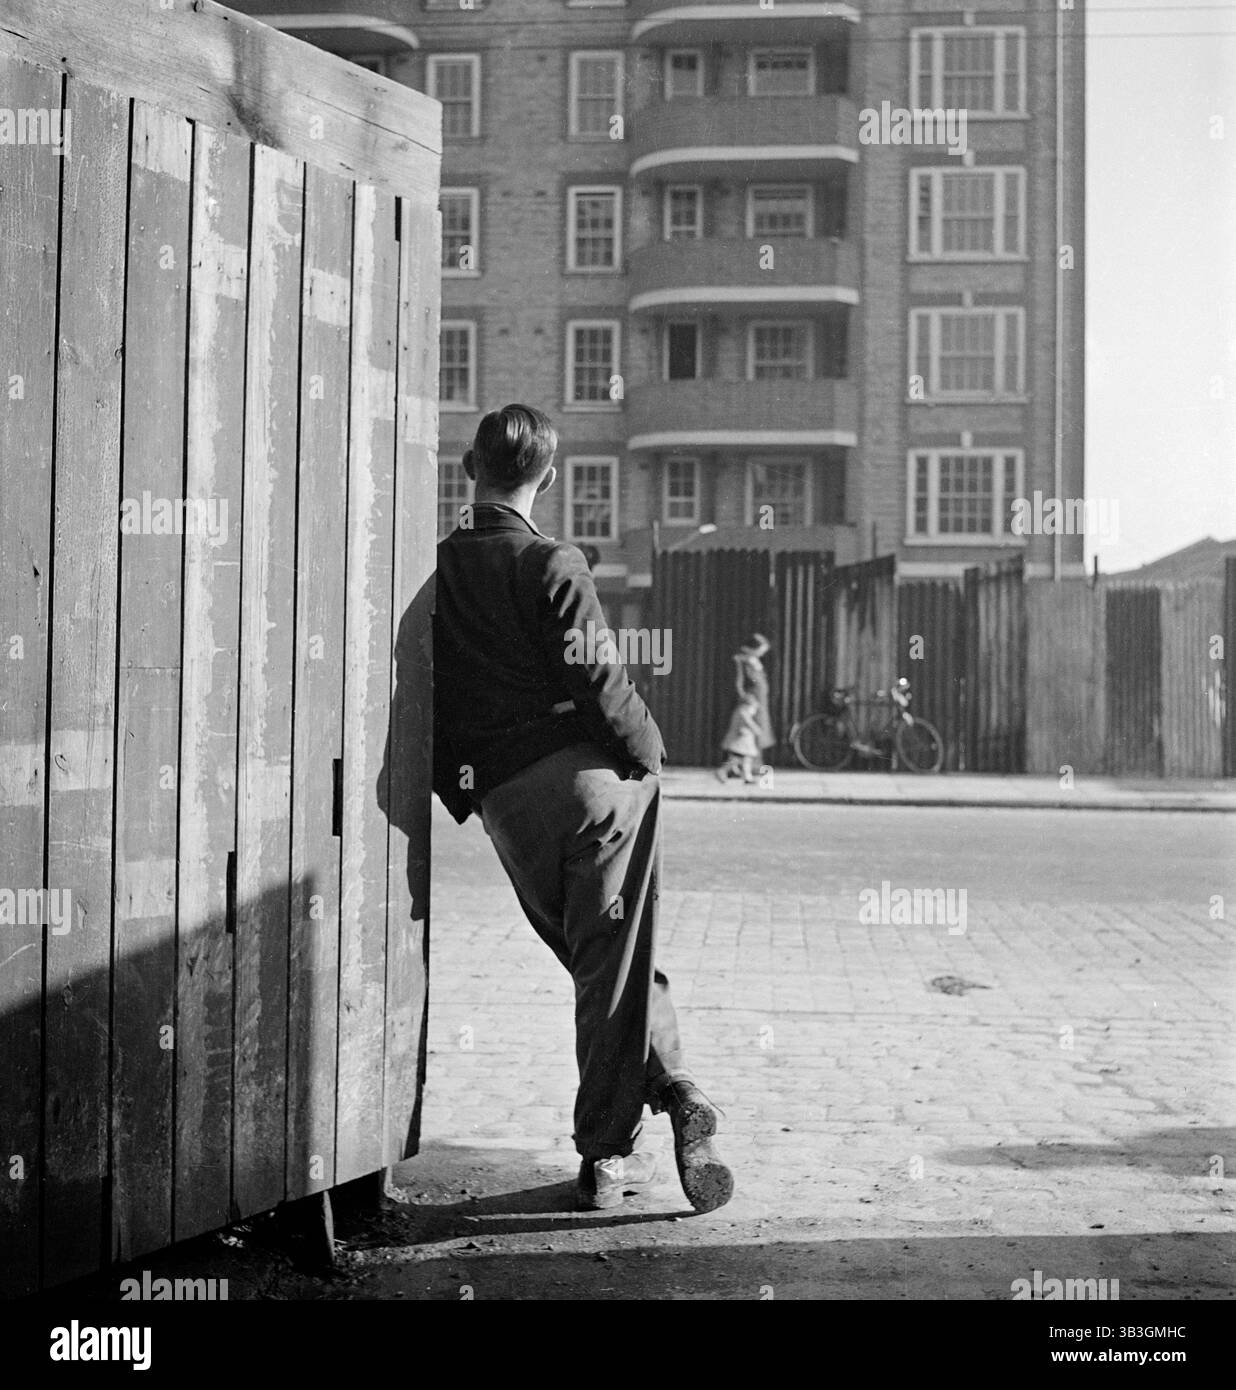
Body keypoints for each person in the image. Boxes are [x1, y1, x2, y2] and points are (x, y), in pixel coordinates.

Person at [432, 404, 732, 1214]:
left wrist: (465, 788)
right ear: (549, 478)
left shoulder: (438, 573)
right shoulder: (551, 562)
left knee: (607, 961)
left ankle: (675, 1089)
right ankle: (608, 1154)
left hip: (504, 805)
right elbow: (600, 680)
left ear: (471, 468)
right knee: (611, 965)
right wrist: (648, 754)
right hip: (592, 793)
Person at [716, 632, 776, 782]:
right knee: (747, 737)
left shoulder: (754, 661)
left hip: (759, 702)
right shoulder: (742, 661)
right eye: (761, 648)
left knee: (753, 736)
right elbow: (739, 682)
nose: (763, 652)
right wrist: (745, 697)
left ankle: (745, 769)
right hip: (751, 702)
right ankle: (741, 769)